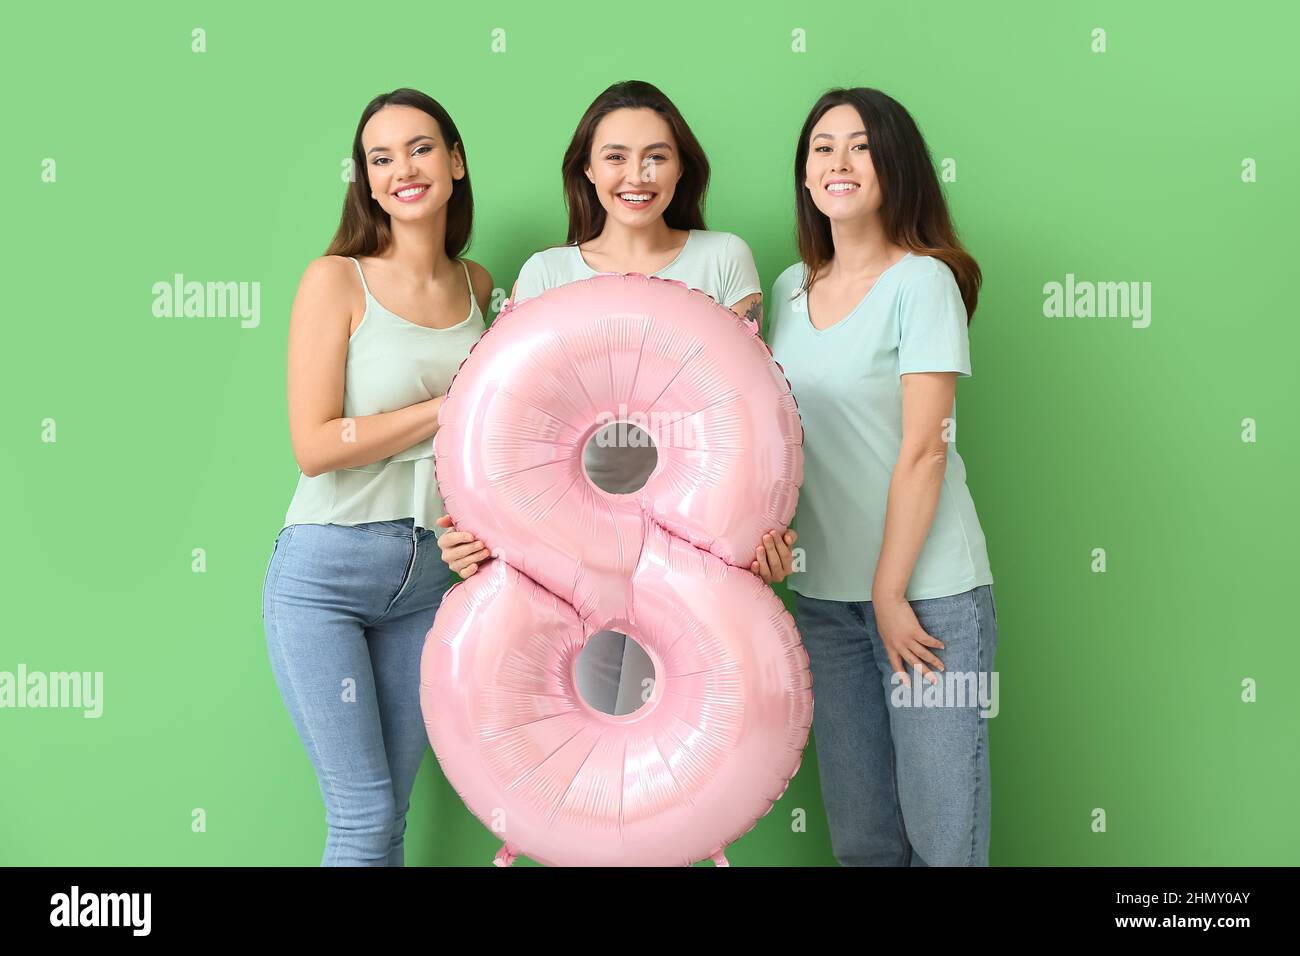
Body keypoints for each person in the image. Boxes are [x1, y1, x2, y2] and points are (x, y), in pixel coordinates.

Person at [435, 79, 796, 717]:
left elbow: (746, 419)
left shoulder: (723, 260)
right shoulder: (548, 274)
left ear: (683, 168)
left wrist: (758, 533)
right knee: (591, 732)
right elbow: (507, 427)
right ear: (587, 169)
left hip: (690, 547)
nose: (637, 174)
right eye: (616, 156)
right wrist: (477, 532)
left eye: (657, 155)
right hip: (573, 552)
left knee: (697, 734)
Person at [767, 87, 998, 866]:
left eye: (861, 145)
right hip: (826, 599)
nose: (839, 161)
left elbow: (925, 449)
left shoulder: (923, 283)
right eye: (823, 147)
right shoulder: (786, 294)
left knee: (943, 838)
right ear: (804, 175)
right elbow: (775, 443)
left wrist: (890, 592)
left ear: (895, 166)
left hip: (923, 594)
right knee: (863, 841)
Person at [261, 88, 491, 865]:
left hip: (431, 580)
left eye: (420, 149)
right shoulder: (335, 280)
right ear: (364, 179)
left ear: (455, 162)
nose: (402, 170)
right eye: (380, 158)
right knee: (360, 818)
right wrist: (446, 406)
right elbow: (315, 444)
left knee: (388, 819)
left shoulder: (479, 288)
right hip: (326, 571)